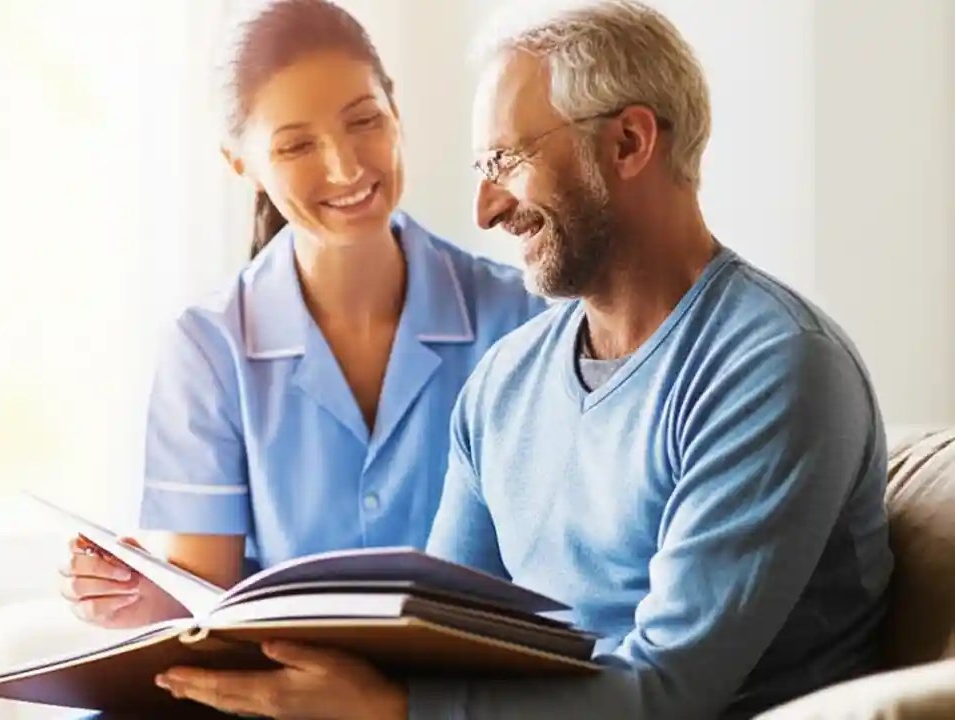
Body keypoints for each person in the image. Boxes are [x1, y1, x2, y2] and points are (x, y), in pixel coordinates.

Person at [150, 2, 895, 718]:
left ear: (630, 143)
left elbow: (667, 693)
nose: (486, 209)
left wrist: (391, 711)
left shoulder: (772, 368)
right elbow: (436, 638)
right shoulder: (504, 382)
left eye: (505, 160)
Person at [60, 0, 547, 631]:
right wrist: (129, 591)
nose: (345, 167)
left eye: (365, 120)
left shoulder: (518, 317)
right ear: (242, 163)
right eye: (296, 146)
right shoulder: (209, 348)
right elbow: (208, 601)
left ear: (395, 111)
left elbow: (556, 564)